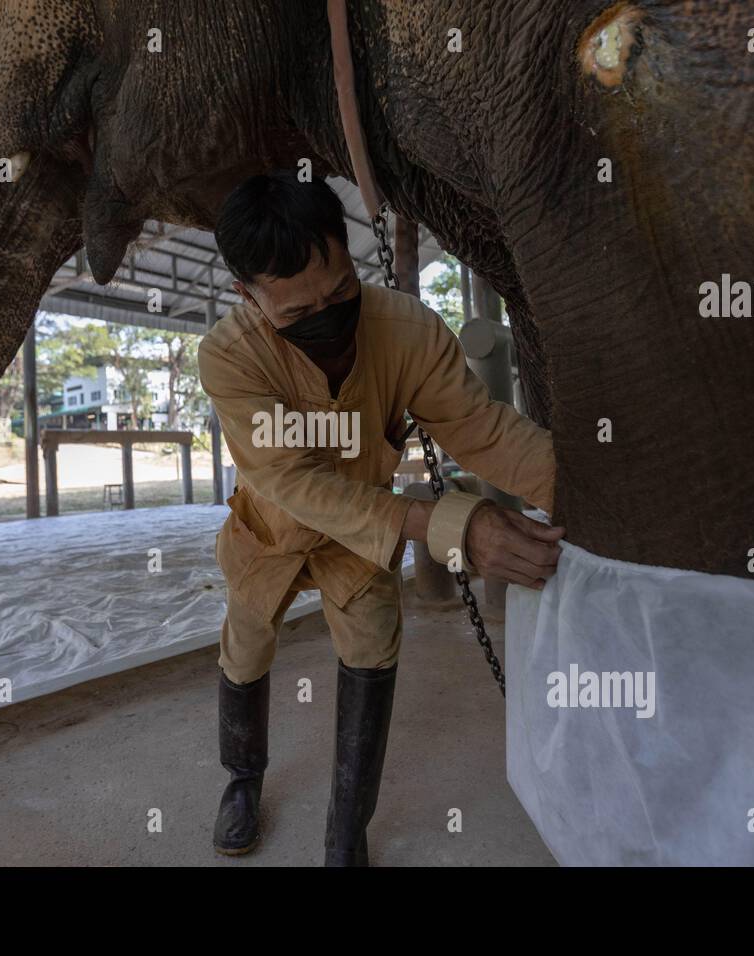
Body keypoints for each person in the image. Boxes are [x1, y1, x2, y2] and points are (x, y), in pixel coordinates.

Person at [198, 170, 563, 866]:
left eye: (339, 292)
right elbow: (292, 481)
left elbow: (484, 432)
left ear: (348, 250)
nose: (328, 316)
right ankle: (242, 780)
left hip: (362, 545)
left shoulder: (407, 331)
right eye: (297, 312)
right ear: (247, 296)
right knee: (245, 651)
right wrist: (450, 525)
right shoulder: (228, 357)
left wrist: (590, 490)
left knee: (371, 653)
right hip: (269, 534)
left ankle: (347, 826)